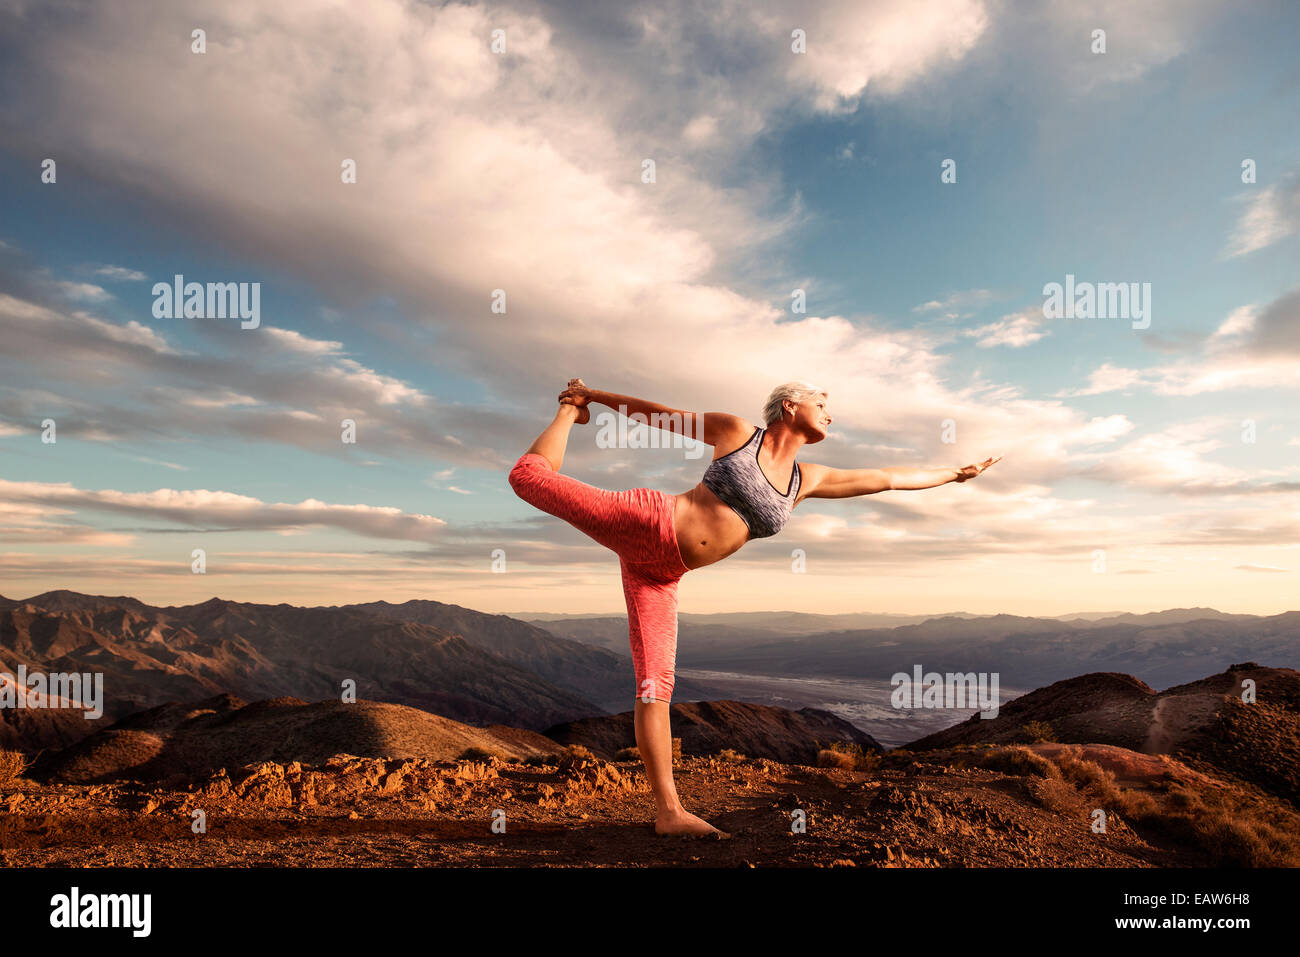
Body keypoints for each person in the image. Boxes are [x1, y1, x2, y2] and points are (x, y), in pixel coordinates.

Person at [507, 378, 1001, 837]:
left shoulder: (805, 479)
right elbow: (660, 417)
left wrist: (954, 475)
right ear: (790, 406)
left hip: (661, 575)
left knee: (656, 684)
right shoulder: (738, 433)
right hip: (649, 520)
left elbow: (886, 478)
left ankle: (669, 813)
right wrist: (592, 396)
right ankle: (568, 411)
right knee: (527, 477)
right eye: (822, 404)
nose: (831, 414)